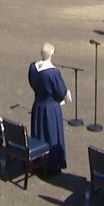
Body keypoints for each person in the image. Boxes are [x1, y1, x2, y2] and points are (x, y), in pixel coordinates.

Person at [28, 42, 68, 175]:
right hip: (51, 107)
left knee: (40, 132)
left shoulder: (33, 67)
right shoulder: (53, 72)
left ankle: (39, 160)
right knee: (52, 135)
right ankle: (52, 165)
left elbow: (32, 82)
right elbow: (61, 91)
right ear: (51, 54)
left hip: (38, 104)